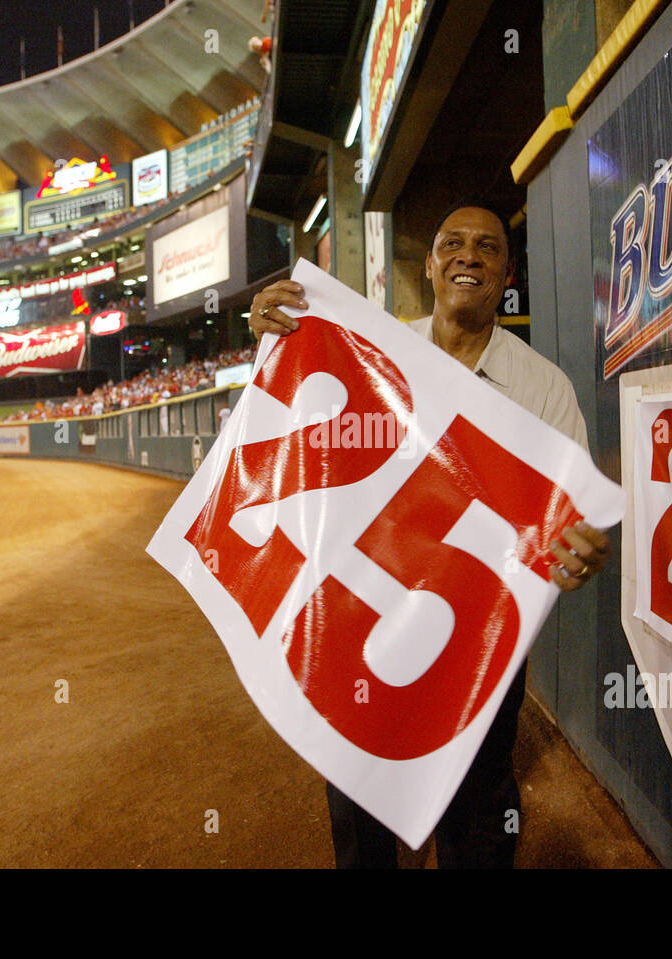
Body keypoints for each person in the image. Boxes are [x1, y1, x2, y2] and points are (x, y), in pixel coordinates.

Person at [248, 200, 612, 868]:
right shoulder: (379, 351)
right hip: (366, 619)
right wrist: (273, 338)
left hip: (480, 642)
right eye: (451, 243)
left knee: (478, 806)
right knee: (355, 790)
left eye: (486, 247)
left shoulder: (545, 387)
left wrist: (584, 551)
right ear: (431, 264)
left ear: (506, 271)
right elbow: (300, 422)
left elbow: (576, 520)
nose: (467, 256)